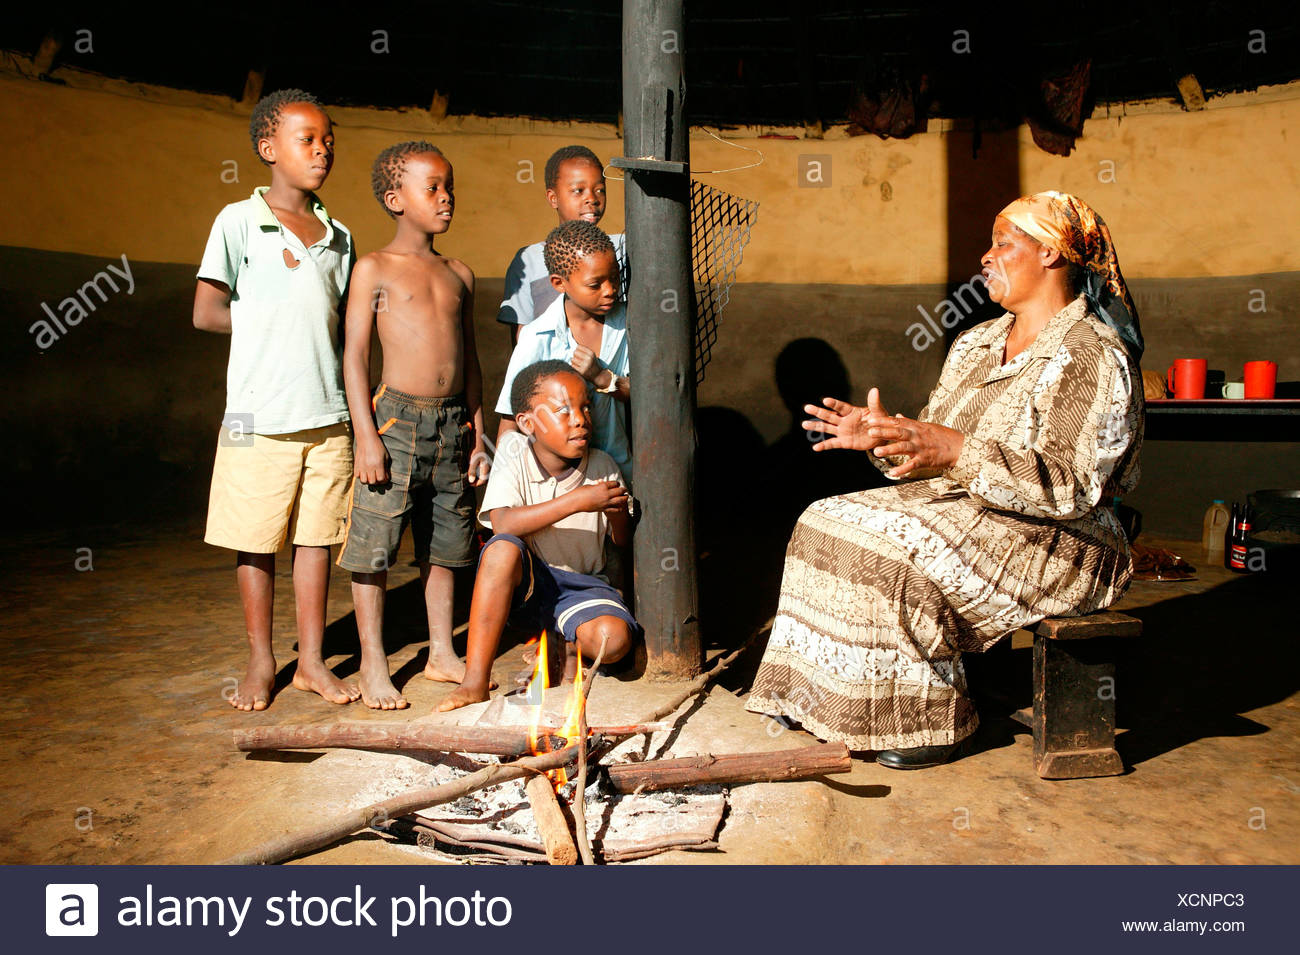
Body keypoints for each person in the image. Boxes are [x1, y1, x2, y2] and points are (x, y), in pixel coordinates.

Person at [745, 191, 1145, 769]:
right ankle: (821, 696)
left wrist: (955, 449)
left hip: (1067, 539)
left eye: (1003, 243)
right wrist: (887, 438)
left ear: (1054, 253)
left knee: (895, 549)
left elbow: (1072, 486)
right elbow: (939, 449)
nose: (986, 256)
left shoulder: (1091, 354)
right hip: (969, 507)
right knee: (822, 516)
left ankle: (925, 721)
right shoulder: (976, 343)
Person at [194, 89, 360, 712]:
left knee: (316, 539)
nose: (321, 152)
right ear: (268, 149)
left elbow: (339, 324)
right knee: (255, 536)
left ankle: (312, 661)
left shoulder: (339, 235)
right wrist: (267, 322)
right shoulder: (238, 220)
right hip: (252, 415)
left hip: (328, 414)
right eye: (307, 140)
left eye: (328, 142)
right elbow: (207, 311)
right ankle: (263, 658)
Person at [335, 141, 491, 710]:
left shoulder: (460, 274)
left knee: (447, 542)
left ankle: (441, 654)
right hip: (396, 420)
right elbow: (354, 358)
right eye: (433, 188)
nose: (446, 198)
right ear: (394, 198)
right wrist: (367, 436)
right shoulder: (373, 268)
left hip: (454, 425)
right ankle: (375, 663)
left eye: (450, 186)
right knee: (375, 546)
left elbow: (470, 359)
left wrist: (477, 432)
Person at [437, 361, 635, 712]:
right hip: (527, 582)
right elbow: (503, 523)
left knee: (614, 641)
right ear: (529, 423)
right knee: (501, 549)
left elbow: (622, 543)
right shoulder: (514, 452)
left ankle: (566, 637)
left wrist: (617, 516)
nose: (579, 419)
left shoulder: (603, 465)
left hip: (582, 585)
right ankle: (475, 682)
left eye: (585, 407)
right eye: (563, 411)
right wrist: (578, 501)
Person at [495, 221, 631, 477]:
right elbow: (511, 421)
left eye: (614, 278)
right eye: (595, 284)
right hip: (553, 483)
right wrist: (506, 486)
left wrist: (602, 377)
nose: (610, 290)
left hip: (618, 474)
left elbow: (650, 396)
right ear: (559, 283)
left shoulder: (629, 325)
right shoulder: (536, 337)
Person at [497, 145, 628, 347]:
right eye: (578, 191)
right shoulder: (529, 260)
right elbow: (521, 342)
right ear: (553, 198)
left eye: (600, 189)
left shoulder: (620, 247)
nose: (592, 199)